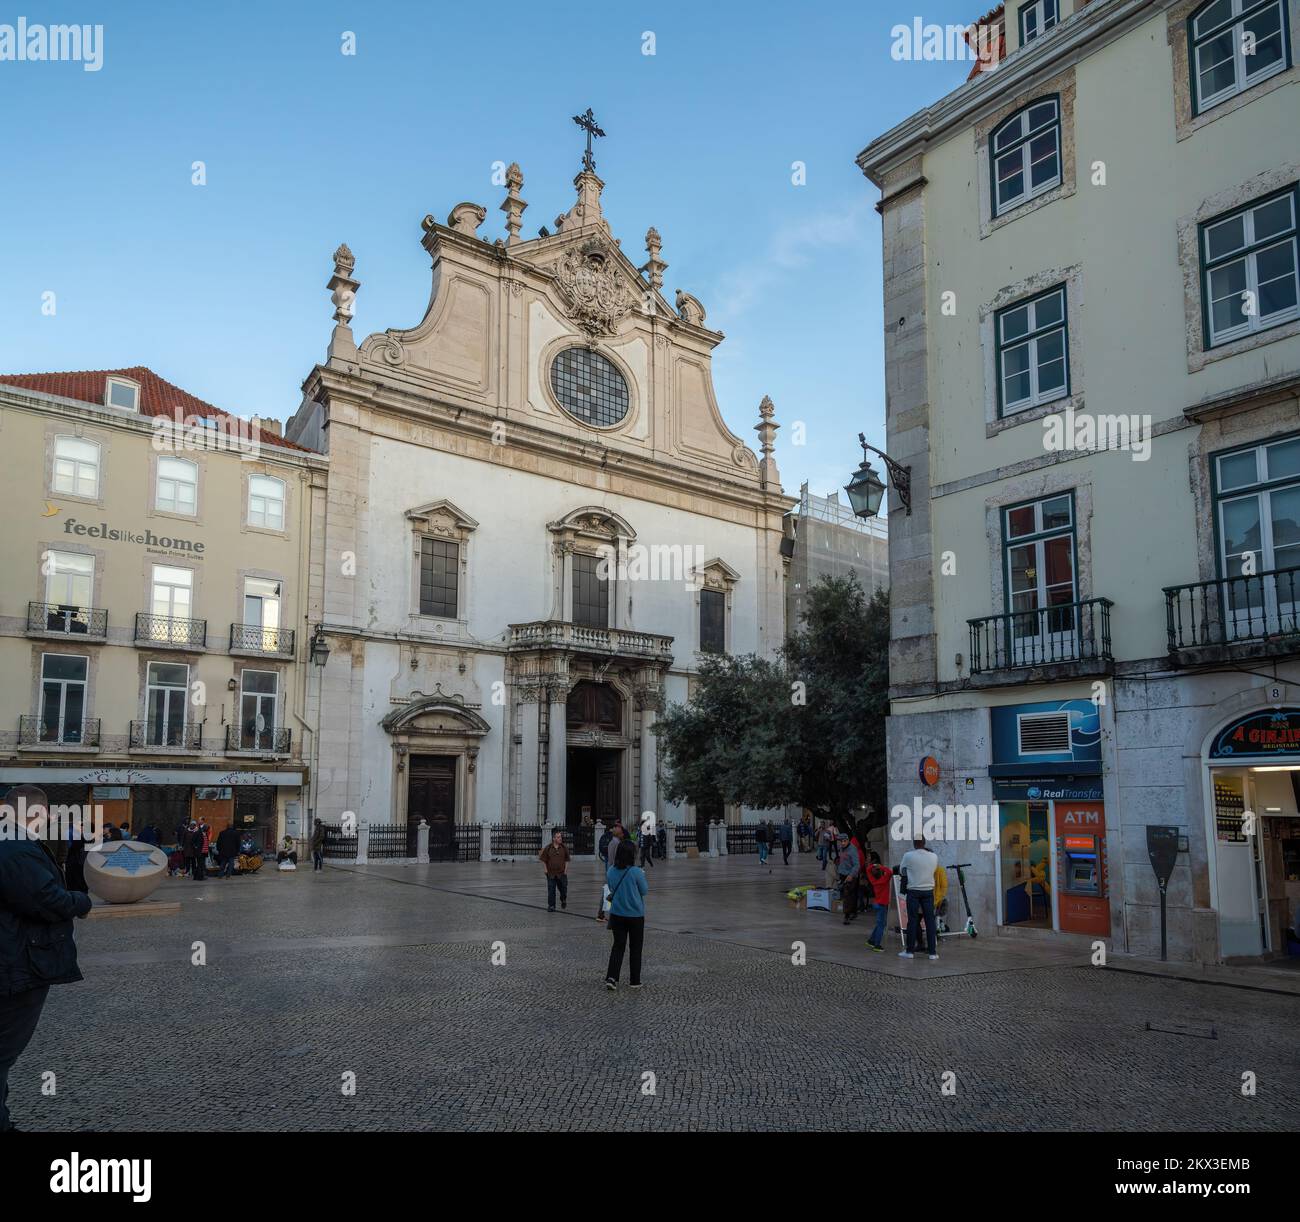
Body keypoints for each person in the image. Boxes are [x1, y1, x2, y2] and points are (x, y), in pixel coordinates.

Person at [0, 785, 93, 1133]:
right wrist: (81, 902)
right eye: (49, 813)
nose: (51, 819)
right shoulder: (17, 848)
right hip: (17, 963)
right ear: (36, 813)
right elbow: (45, 899)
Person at [604, 840, 649, 991]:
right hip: (635, 915)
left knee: (618, 946)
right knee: (636, 947)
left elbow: (610, 887)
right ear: (632, 854)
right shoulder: (636, 872)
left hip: (617, 913)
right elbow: (644, 891)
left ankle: (612, 977)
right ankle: (635, 980)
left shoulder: (611, 871)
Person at [899, 837, 940, 960]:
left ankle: (910, 951)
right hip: (928, 891)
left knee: (912, 920)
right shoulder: (934, 856)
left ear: (914, 843)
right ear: (924, 843)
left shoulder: (908, 856)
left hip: (913, 891)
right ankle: (932, 953)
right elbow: (934, 870)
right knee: (930, 921)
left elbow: (902, 871)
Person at [863, 851, 894, 952]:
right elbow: (889, 872)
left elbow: (868, 870)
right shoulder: (884, 880)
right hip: (882, 904)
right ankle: (877, 945)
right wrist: (880, 866)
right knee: (881, 925)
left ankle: (871, 940)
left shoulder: (873, 881)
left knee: (880, 923)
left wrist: (873, 866)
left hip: (876, 903)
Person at [538, 829, 571, 912]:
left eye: (560, 837)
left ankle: (563, 899)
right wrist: (546, 871)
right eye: (558, 837)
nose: (560, 838)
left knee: (563, 889)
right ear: (554, 838)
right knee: (551, 890)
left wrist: (565, 871)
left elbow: (567, 860)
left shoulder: (564, 848)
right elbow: (543, 860)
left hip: (561, 873)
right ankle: (551, 905)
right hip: (551, 874)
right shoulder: (548, 848)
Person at [835, 832, 860, 925]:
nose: (842, 843)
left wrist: (851, 875)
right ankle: (853, 912)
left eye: (844, 841)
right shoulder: (842, 848)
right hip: (843, 874)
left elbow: (857, 865)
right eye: (841, 841)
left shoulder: (852, 850)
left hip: (850, 876)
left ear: (848, 840)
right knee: (850, 895)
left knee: (847, 895)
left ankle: (846, 916)